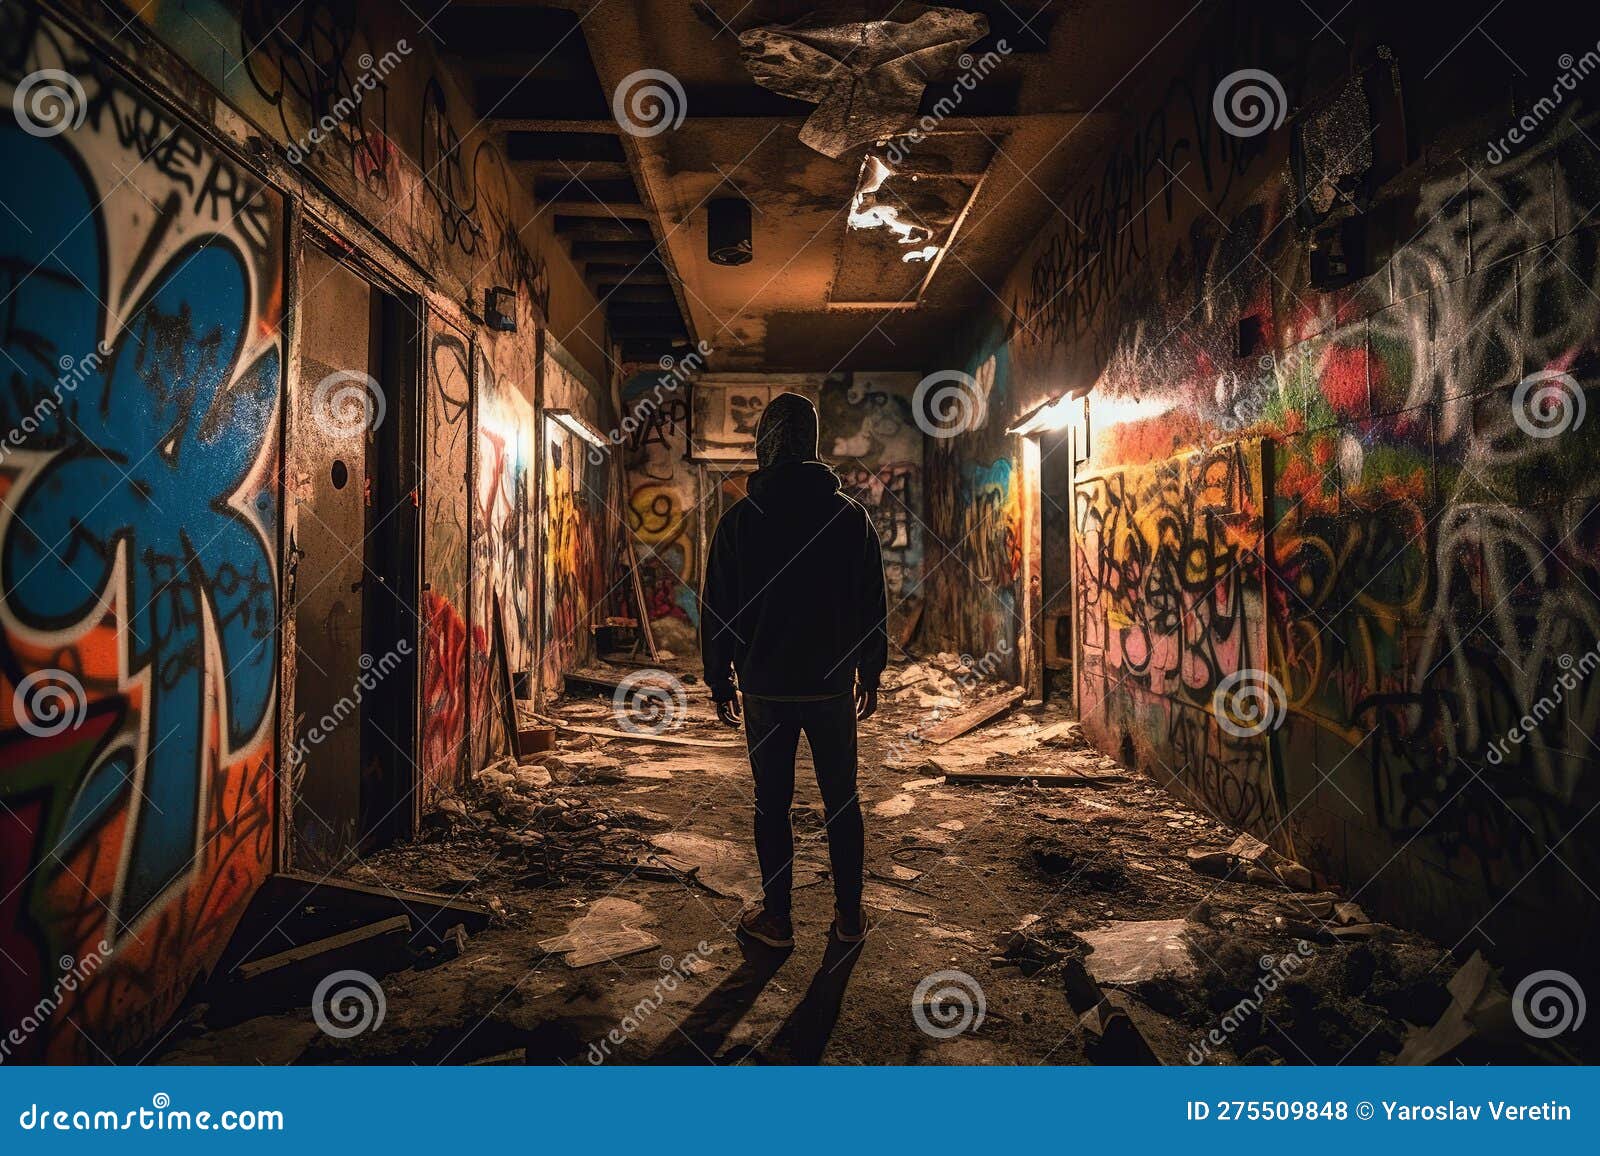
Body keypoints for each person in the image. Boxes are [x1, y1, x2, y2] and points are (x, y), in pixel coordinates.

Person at [700, 392, 888, 948]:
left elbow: (719, 608)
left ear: (764, 445)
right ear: (813, 443)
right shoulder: (851, 519)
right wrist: (870, 673)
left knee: (771, 803)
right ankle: (849, 918)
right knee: (842, 800)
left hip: (765, 688)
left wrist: (719, 678)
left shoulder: (739, 522)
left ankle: (778, 920)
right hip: (830, 688)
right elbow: (871, 603)